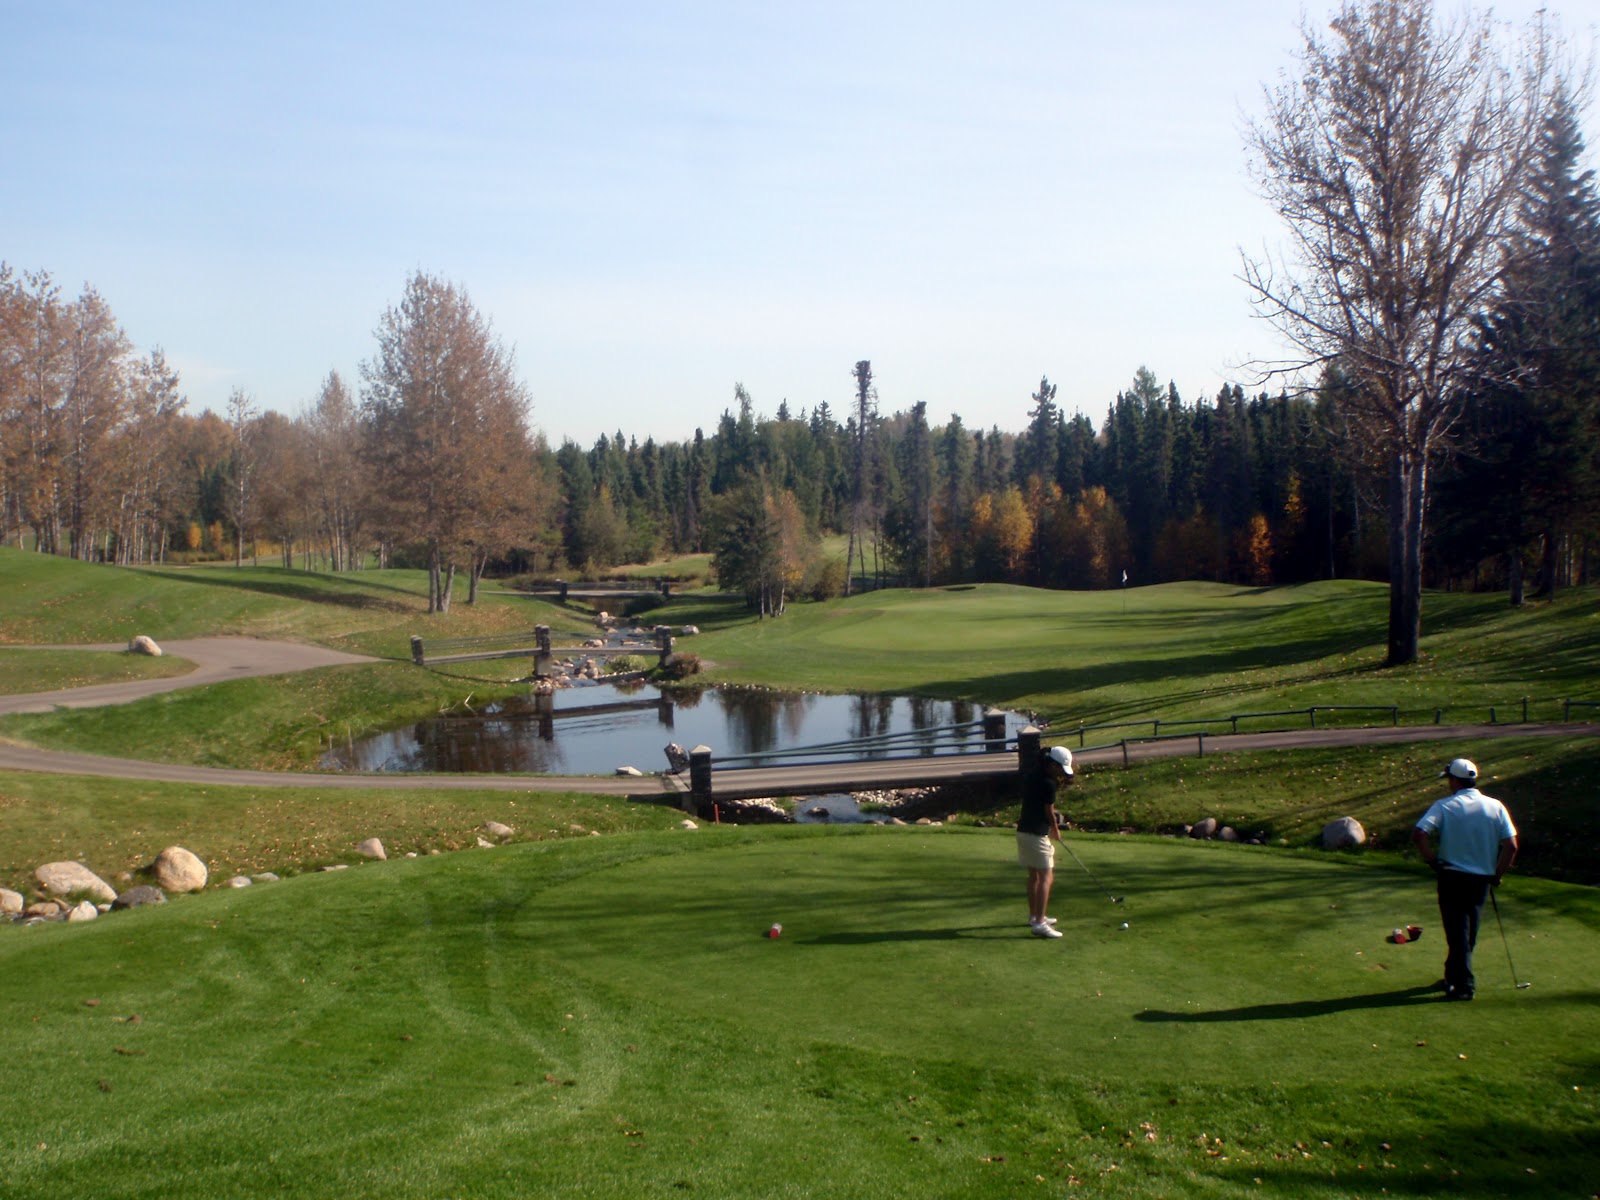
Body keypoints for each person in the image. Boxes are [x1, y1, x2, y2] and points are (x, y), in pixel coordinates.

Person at [1411, 757, 1518, 1001]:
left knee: (1457, 932)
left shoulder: (1444, 805)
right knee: (1468, 933)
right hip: (1480, 881)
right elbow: (1511, 846)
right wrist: (1497, 875)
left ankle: (1464, 986)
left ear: (1454, 780)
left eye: (1449, 779)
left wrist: (1432, 861)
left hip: (1451, 877)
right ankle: (1452, 976)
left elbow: (1419, 834)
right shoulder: (1495, 806)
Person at [1017, 744, 1073, 938]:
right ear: (1053, 765)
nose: (1061, 773)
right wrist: (1055, 830)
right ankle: (1040, 923)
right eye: (1060, 769)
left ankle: (1035, 916)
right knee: (1046, 877)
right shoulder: (1049, 783)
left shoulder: (1032, 775)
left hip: (1023, 831)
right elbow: (1049, 810)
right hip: (1036, 834)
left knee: (1034, 875)